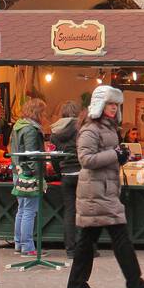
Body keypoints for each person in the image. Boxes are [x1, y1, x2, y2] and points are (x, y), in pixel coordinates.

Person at [65, 85, 144, 288]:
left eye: (116, 104)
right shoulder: (90, 130)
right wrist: (115, 155)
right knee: (119, 236)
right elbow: (86, 160)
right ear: (100, 105)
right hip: (96, 193)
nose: (114, 108)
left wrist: (120, 157)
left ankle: (77, 283)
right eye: (110, 104)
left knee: (87, 241)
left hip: (104, 191)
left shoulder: (108, 129)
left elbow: (107, 157)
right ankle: (134, 282)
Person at [10, 97, 47, 255]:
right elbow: (32, 155)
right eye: (43, 112)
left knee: (22, 209)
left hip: (18, 171)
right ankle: (28, 246)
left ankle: (19, 242)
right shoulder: (31, 129)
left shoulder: (18, 126)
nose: (45, 115)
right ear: (38, 112)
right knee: (29, 210)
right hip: (29, 173)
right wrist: (37, 175)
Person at [49, 101, 82, 257]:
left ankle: (70, 249)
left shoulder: (56, 132)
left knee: (70, 212)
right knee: (85, 212)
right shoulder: (82, 129)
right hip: (82, 173)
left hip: (66, 174)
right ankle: (87, 248)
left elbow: (54, 157)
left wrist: (58, 171)